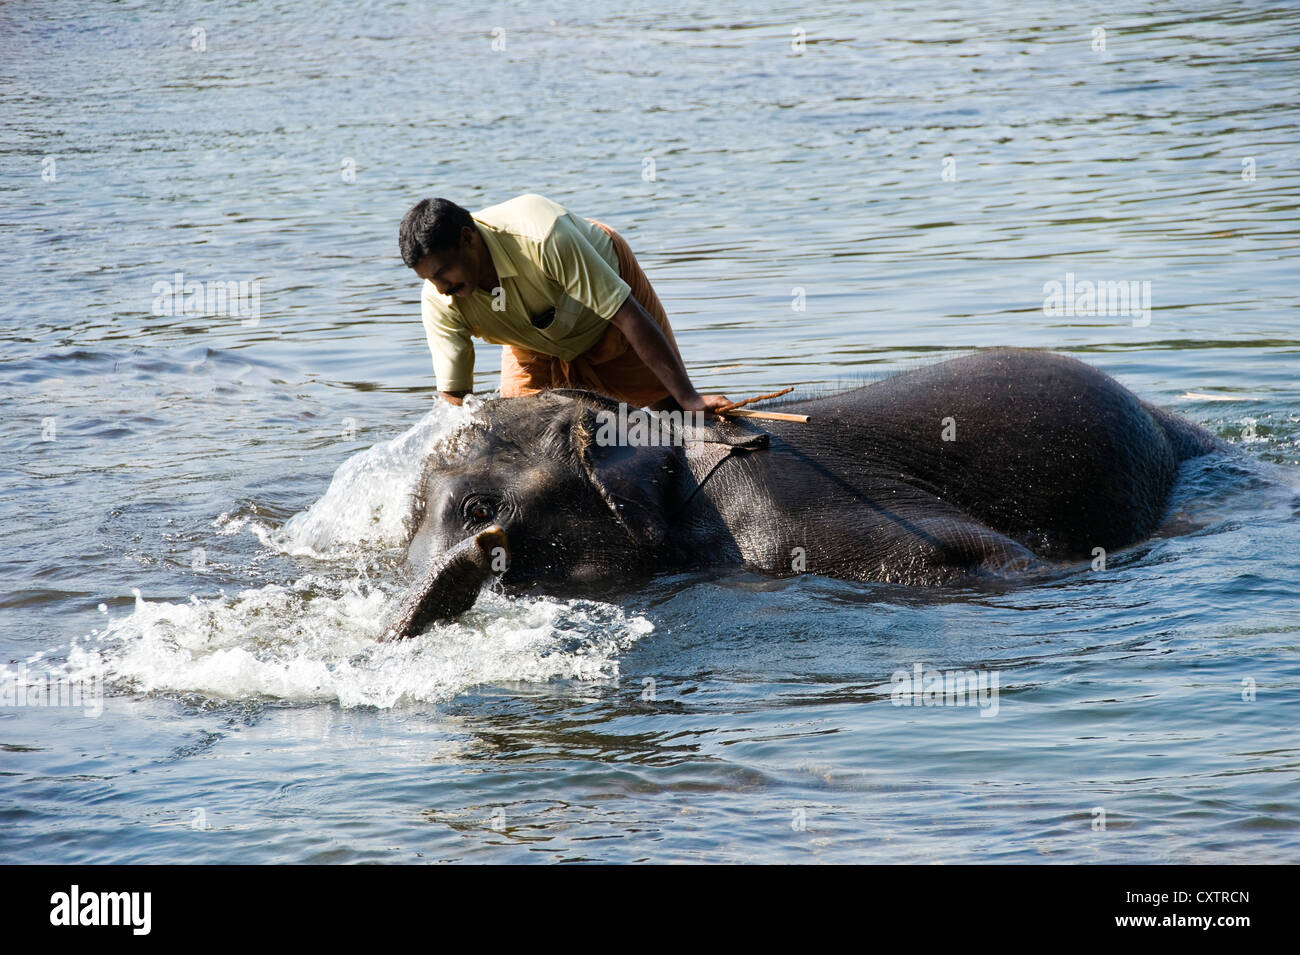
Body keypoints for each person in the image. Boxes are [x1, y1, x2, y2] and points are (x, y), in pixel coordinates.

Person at [398, 192, 731, 413]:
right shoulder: (439, 299)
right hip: (532, 342)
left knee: (674, 417)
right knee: (522, 441)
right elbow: (455, 398)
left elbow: (628, 316)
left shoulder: (545, 237)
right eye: (429, 279)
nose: (440, 289)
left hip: (607, 317)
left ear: (468, 240)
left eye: (443, 274)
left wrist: (689, 397)